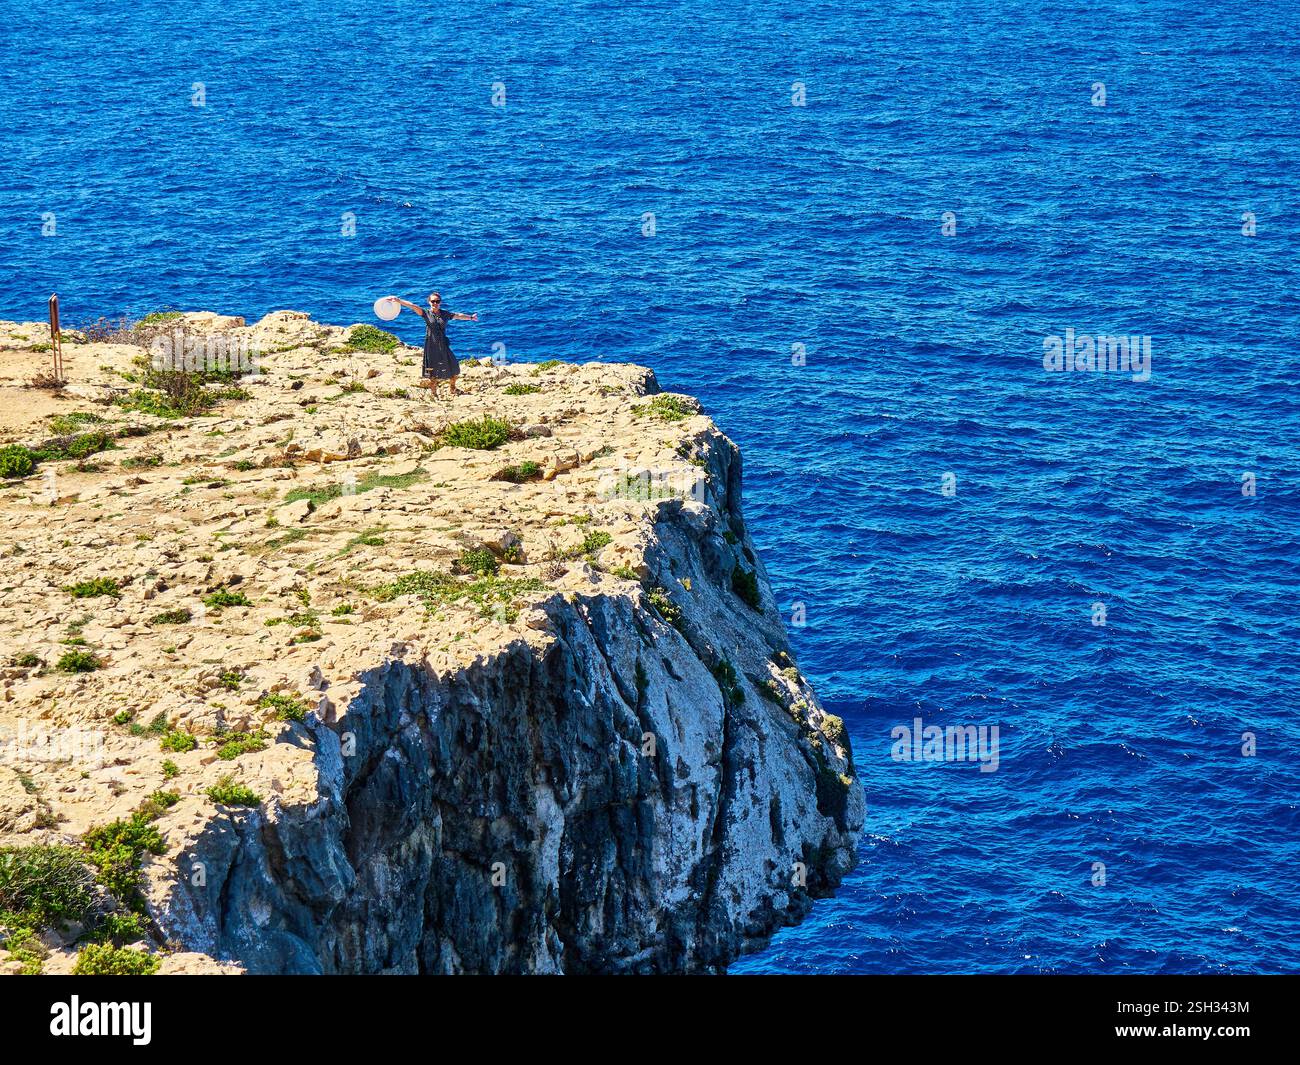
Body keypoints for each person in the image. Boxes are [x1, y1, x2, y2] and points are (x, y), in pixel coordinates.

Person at [393, 292, 478, 399]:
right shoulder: (425, 313)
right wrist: (398, 300)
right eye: (433, 301)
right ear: (429, 302)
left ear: (440, 302)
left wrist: (471, 317)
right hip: (431, 345)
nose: (435, 303)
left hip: (443, 344)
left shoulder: (445, 314)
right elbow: (412, 306)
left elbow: (458, 316)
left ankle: (452, 388)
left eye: (437, 301)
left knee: (454, 367)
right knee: (432, 371)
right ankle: (434, 394)